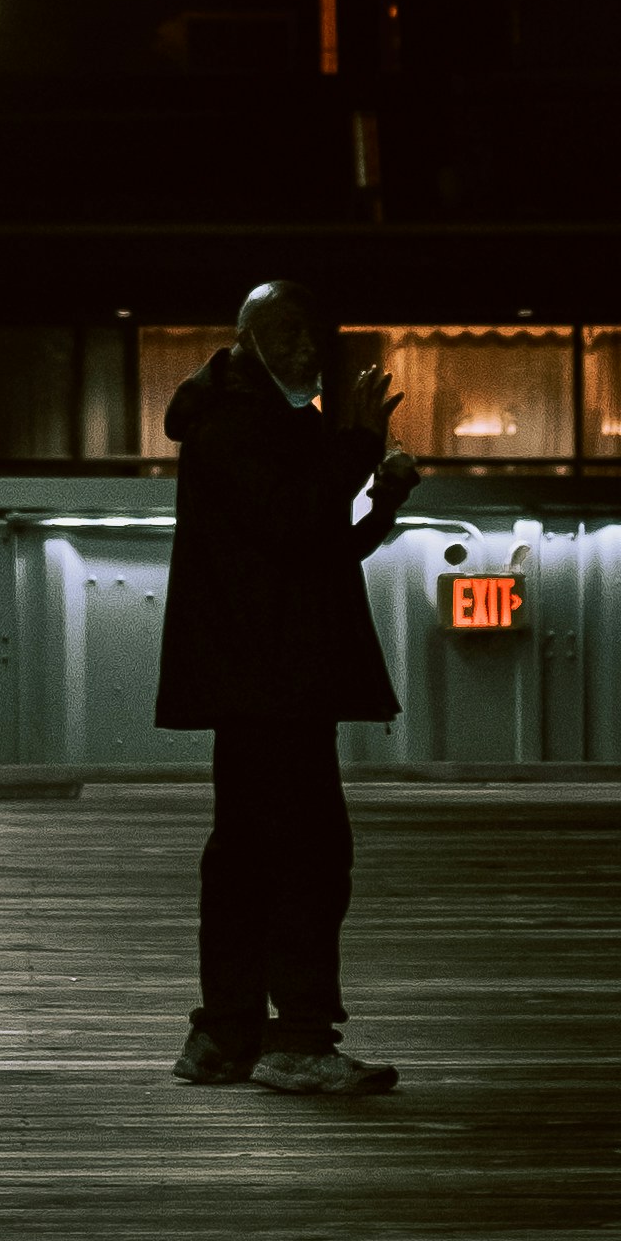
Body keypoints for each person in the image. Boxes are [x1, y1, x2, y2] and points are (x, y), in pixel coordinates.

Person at [155, 284, 419, 1096]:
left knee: (245, 856)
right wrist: (361, 445)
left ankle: (226, 1035)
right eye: (287, 335)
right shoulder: (240, 425)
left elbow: (308, 545)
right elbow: (297, 522)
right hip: (276, 678)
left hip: (256, 678)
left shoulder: (242, 419)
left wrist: (380, 499)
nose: (306, 351)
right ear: (247, 340)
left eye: (311, 337)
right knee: (308, 855)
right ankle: (296, 1036)